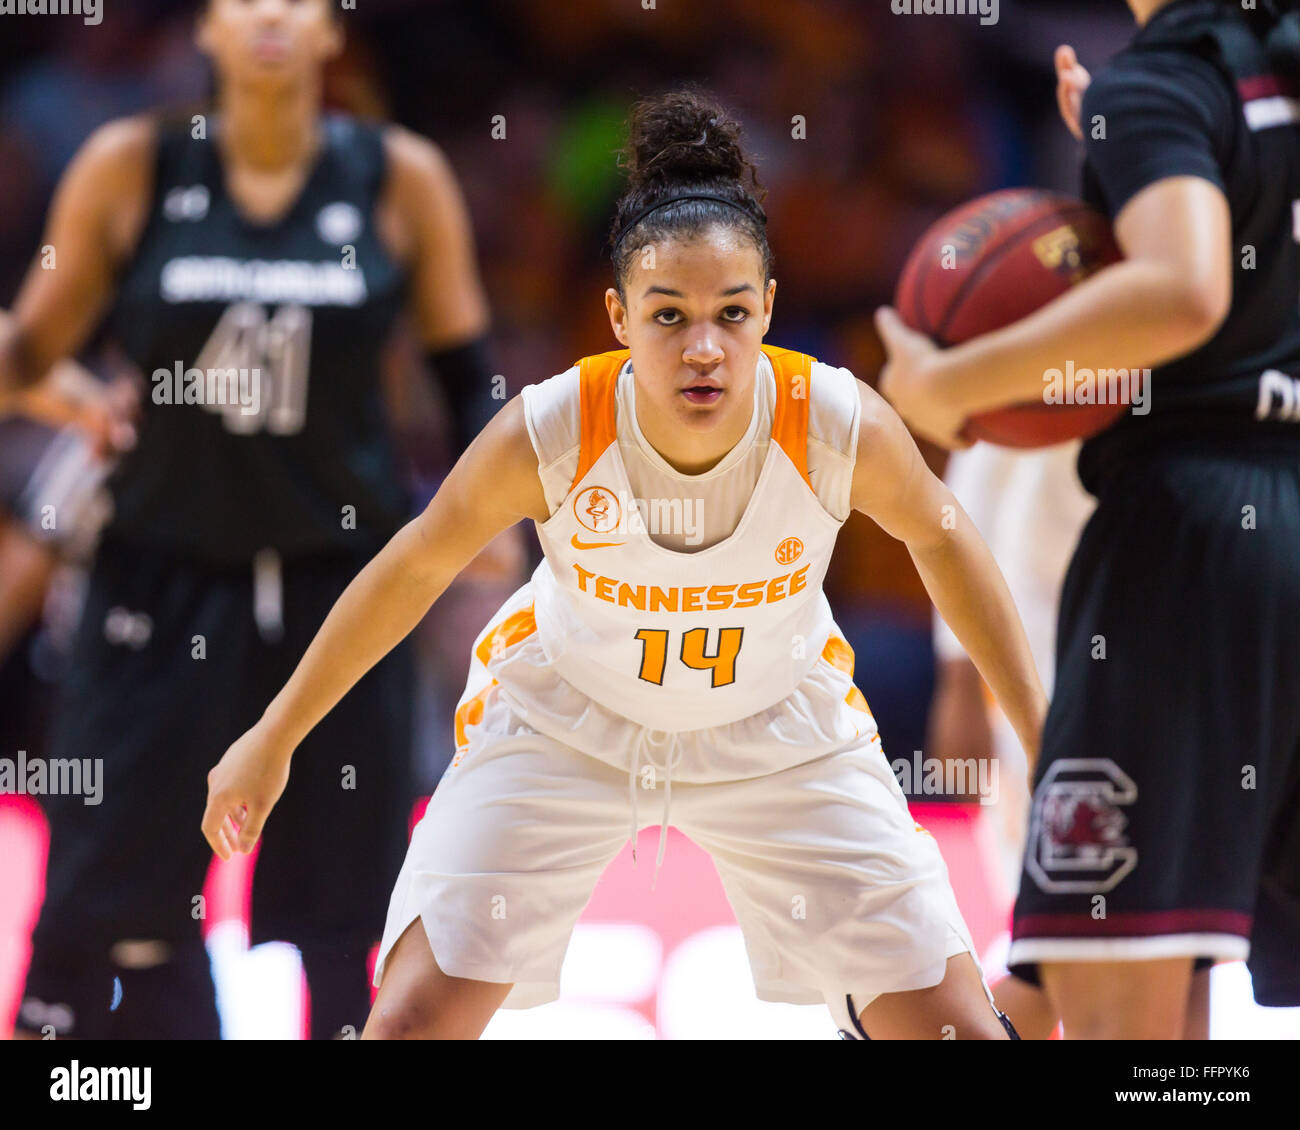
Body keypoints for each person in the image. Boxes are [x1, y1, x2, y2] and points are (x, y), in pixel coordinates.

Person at [204, 87, 1047, 1041]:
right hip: (568, 721)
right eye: (669, 315)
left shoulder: (834, 419)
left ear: (768, 307)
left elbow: (946, 541)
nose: (704, 347)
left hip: (778, 723)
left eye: (732, 313)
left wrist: (1038, 729)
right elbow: (412, 566)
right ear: (616, 316)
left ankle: (866, 1000)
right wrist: (271, 737)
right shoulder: (555, 425)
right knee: (403, 1028)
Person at [0, 0, 497, 1039]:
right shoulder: (132, 166)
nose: (270, 12)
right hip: (159, 579)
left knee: (347, 917)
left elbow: (470, 387)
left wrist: (507, 537)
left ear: (330, 32)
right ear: (208, 30)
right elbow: (29, 353)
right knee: (105, 906)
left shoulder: (398, 177)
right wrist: (74, 400)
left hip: (340, 589)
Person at [878, 0, 1300, 1039]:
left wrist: (942, 384)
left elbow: (1181, 290)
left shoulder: (1156, 81)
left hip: (1201, 537)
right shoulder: (1246, 79)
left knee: (1122, 1002)